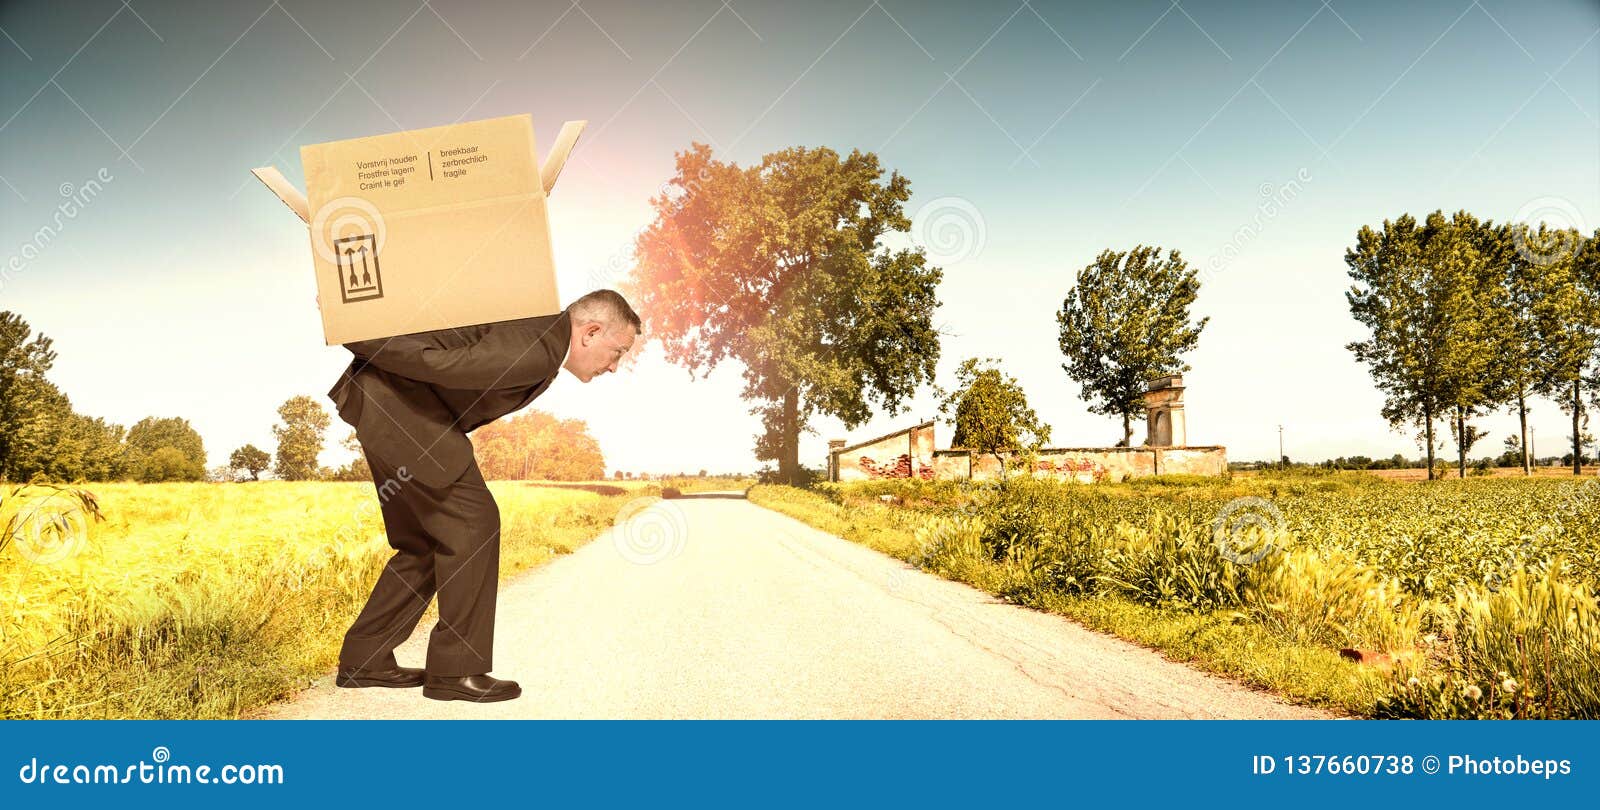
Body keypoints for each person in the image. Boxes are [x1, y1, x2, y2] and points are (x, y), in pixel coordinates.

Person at [325, 289, 640, 702]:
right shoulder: (539, 346)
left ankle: (365, 659)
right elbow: (440, 363)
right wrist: (352, 330)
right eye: (617, 352)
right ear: (591, 332)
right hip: (402, 413)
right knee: (474, 522)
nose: (615, 367)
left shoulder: (542, 341)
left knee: (423, 542)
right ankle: (456, 673)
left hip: (385, 406)